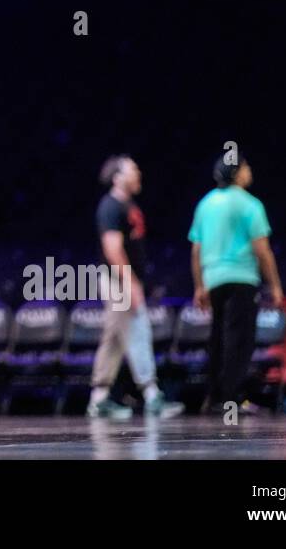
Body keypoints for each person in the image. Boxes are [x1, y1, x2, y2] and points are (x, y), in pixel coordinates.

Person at [86, 156, 183, 419]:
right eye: (132, 169)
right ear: (118, 177)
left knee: (115, 339)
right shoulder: (110, 206)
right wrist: (131, 283)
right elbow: (112, 248)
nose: (138, 172)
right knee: (139, 330)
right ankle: (152, 396)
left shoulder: (126, 205)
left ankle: (99, 400)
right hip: (118, 280)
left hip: (122, 279)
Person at [189, 150, 284, 414]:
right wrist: (275, 285)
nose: (249, 170)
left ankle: (214, 397)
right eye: (246, 166)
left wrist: (199, 285)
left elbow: (196, 250)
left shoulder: (205, 204)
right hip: (242, 280)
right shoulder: (251, 205)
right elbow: (262, 250)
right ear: (237, 173)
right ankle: (230, 399)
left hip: (213, 280)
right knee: (239, 341)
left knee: (218, 338)